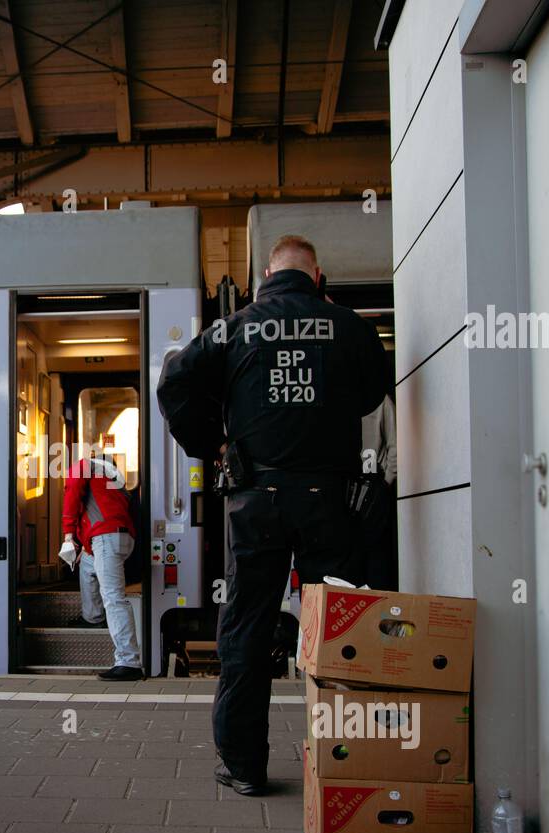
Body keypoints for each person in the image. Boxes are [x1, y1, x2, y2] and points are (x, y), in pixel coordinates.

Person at [157, 234, 388, 794]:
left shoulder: (233, 328)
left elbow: (174, 383)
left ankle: (243, 766)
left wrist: (214, 443)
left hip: (254, 499)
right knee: (336, 624)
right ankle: (340, 756)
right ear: (318, 275)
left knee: (246, 627)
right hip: (328, 500)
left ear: (265, 273)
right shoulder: (349, 325)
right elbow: (375, 389)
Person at [62, 453, 143, 680]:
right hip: (120, 539)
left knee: (114, 598)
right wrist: (85, 546)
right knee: (86, 565)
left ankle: (129, 662)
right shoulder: (115, 483)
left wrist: (68, 534)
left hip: (106, 539)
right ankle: (93, 617)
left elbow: (72, 495)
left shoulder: (84, 466)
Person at [360, 392, 398, 589]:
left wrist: (384, 484)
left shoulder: (381, 401)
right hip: (354, 492)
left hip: (373, 490)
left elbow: (396, 448)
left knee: (376, 566)